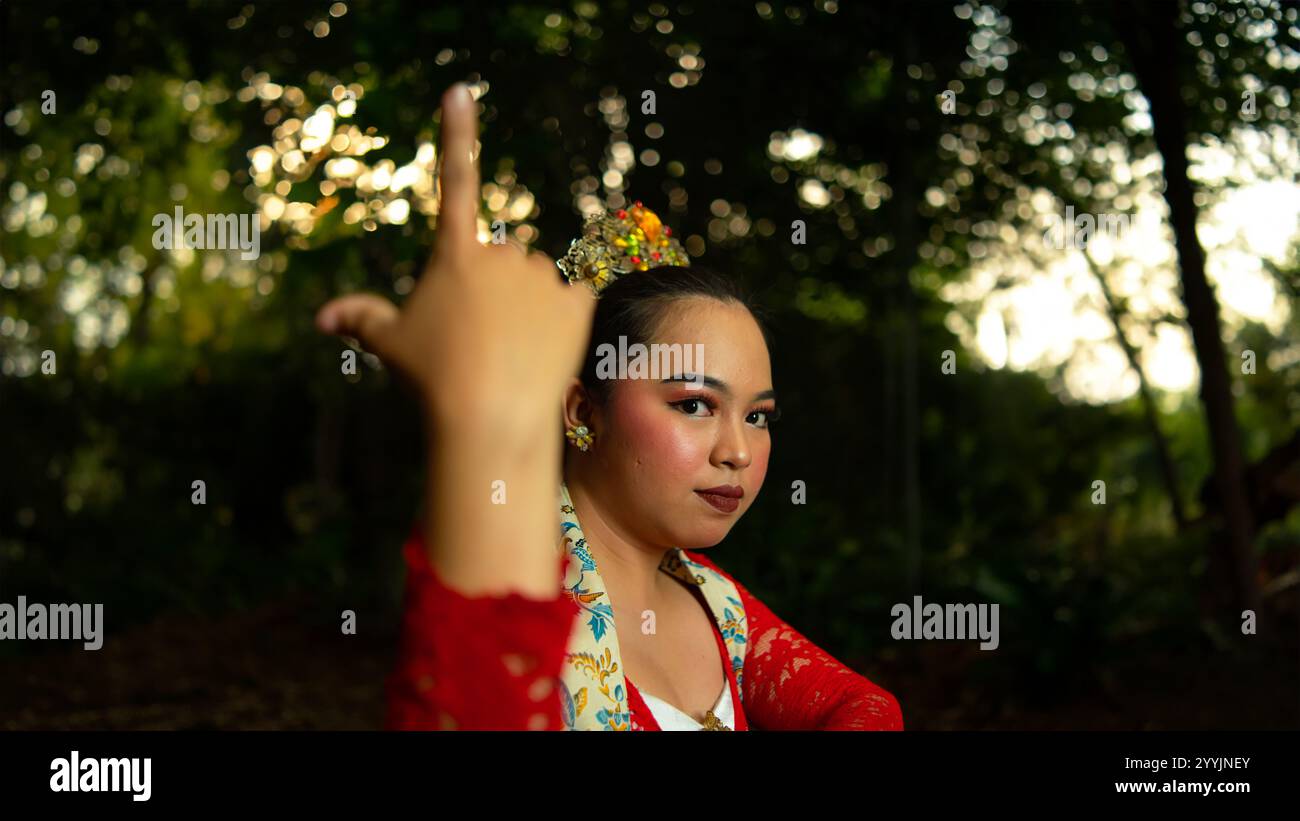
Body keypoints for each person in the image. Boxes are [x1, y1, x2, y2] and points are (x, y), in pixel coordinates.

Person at [315, 83, 903, 731]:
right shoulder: (517, 588)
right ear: (582, 410)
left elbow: (868, 707)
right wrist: (483, 430)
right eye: (693, 404)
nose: (737, 449)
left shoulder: (716, 603)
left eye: (757, 415)